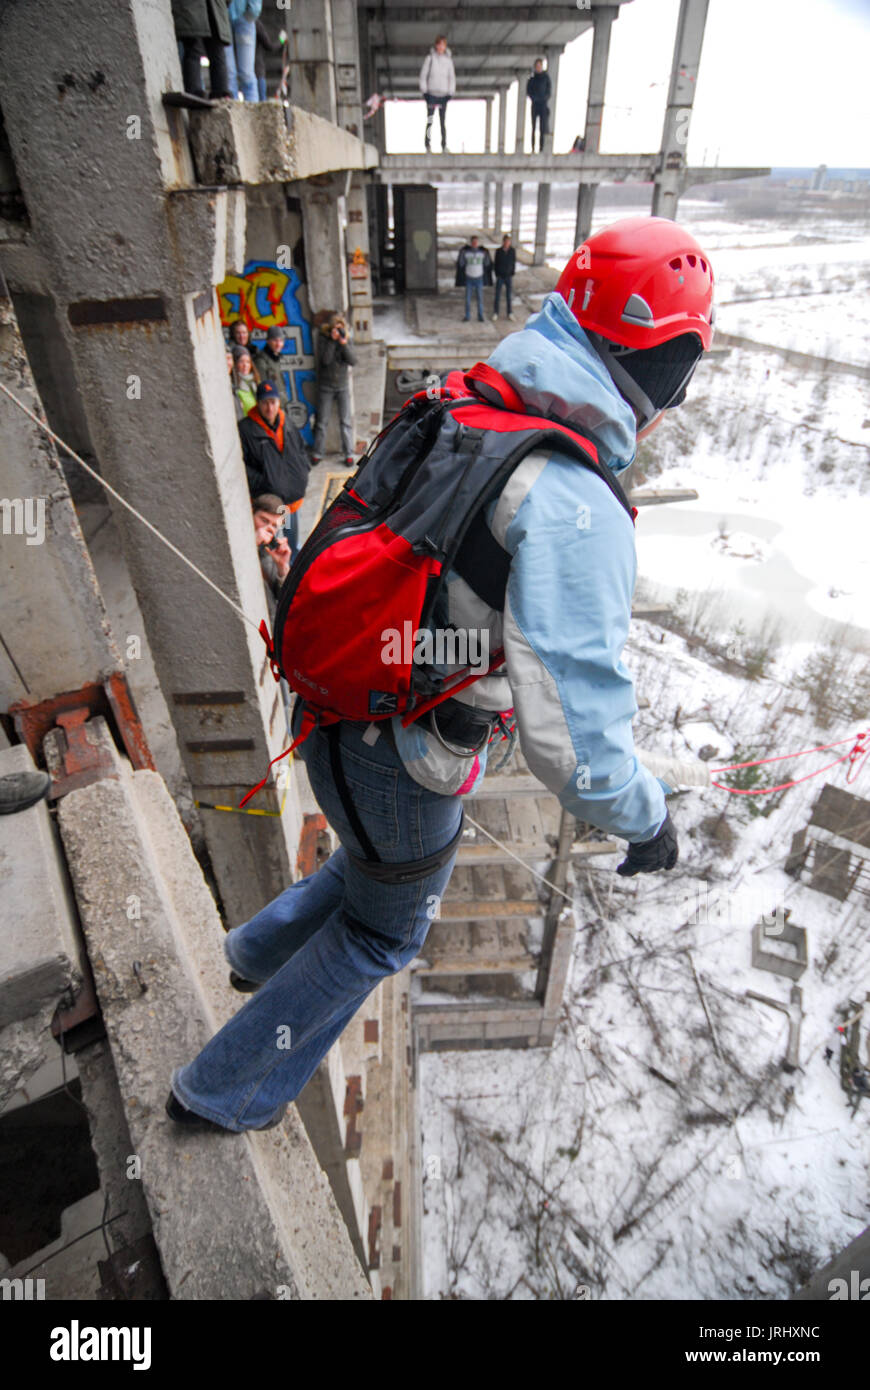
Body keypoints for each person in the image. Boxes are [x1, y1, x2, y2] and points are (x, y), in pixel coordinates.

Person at [166, 217, 711, 1134]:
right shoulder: (573, 499)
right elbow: (576, 748)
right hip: (404, 753)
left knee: (373, 866)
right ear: (667, 370)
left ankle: (252, 953)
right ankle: (218, 1093)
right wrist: (647, 821)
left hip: (343, 694)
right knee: (387, 928)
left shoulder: (478, 399)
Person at [239, 380, 309, 555]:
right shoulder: (246, 429)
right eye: (264, 403)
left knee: (291, 538)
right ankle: (278, 572)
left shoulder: (287, 422)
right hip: (270, 506)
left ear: (278, 402)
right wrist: (267, 483)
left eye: (272, 402)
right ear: (258, 403)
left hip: (290, 503)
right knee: (270, 542)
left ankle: (291, 562)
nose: (269, 408)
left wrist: (303, 469)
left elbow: (300, 448)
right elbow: (242, 467)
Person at [312, 312, 356, 466]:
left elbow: (353, 360)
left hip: (342, 386)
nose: (338, 332)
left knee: (345, 421)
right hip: (326, 386)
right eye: (335, 329)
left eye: (340, 329)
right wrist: (332, 340)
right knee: (321, 422)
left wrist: (343, 344)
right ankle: (318, 452)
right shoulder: (324, 339)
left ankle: (349, 453)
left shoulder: (347, 339)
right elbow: (325, 360)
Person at [171, 0, 234, 100]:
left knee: (207, 52)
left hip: (200, 8)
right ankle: (206, 93)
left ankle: (210, 93)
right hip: (200, 8)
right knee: (199, 50)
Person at [419, 35, 455, 153]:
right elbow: (423, 75)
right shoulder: (430, 59)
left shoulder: (449, 61)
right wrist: (424, 91)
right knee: (430, 120)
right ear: (436, 45)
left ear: (445, 46)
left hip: (443, 96)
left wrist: (450, 92)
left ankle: (444, 145)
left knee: (442, 121)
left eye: (443, 45)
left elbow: (451, 77)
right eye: (439, 44)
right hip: (431, 95)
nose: (441, 47)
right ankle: (427, 144)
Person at [226, 0, 262, 102]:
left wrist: (253, 11)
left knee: (246, 74)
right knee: (229, 73)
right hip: (223, 17)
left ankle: (254, 114)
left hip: (244, 17)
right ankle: (233, 112)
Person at [455, 235, 492, 322]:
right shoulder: (466, 253)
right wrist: (461, 253)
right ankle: (467, 316)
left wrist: (487, 253)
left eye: (476, 242)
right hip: (469, 279)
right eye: (473, 242)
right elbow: (461, 263)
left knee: (480, 299)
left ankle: (480, 316)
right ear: (471, 243)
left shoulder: (482, 253)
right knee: (467, 299)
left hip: (479, 278)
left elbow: (487, 264)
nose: (475, 244)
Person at [253, 324, 289, 409]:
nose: (278, 344)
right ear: (268, 341)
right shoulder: (261, 360)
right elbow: (263, 388)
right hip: (271, 408)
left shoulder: (276, 359)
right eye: (275, 340)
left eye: (281, 341)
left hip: (281, 405)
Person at [527, 58, 551, 153]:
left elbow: (549, 92)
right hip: (535, 105)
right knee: (533, 127)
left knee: (542, 127)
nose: (538, 67)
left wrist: (543, 98)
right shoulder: (532, 79)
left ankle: (541, 149)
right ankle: (533, 148)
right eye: (537, 66)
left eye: (540, 66)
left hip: (543, 106)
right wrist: (535, 98)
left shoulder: (546, 78)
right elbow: (529, 92)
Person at [230, 344, 259, 418]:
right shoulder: (233, 385)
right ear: (235, 363)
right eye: (241, 361)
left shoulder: (256, 381)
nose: (245, 365)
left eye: (248, 362)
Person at [492, 234, 517, 321]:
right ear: (503, 242)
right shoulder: (498, 251)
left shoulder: (512, 251)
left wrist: (512, 272)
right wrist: (497, 273)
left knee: (508, 296)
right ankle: (496, 313)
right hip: (500, 277)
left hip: (508, 276)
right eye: (505, 242)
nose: (507, 243)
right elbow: (495, 263)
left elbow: (513, 262)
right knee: (497, 295)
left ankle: (509, 313)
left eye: (508, 242)